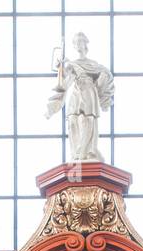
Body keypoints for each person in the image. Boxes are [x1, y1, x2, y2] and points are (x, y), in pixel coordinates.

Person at [47, 33, 114, 163]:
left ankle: (87, 151)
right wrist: (60, 67)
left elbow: (105, 76)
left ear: (85, 44)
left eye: (80, 42)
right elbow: (64, 81)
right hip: (76, 93)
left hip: (89, 92)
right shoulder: (72, 64)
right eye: (76, 43)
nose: (78, 45)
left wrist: (101, 84)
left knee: (88, 119)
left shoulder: (93, 64)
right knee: (72, 120)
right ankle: (76, 152)